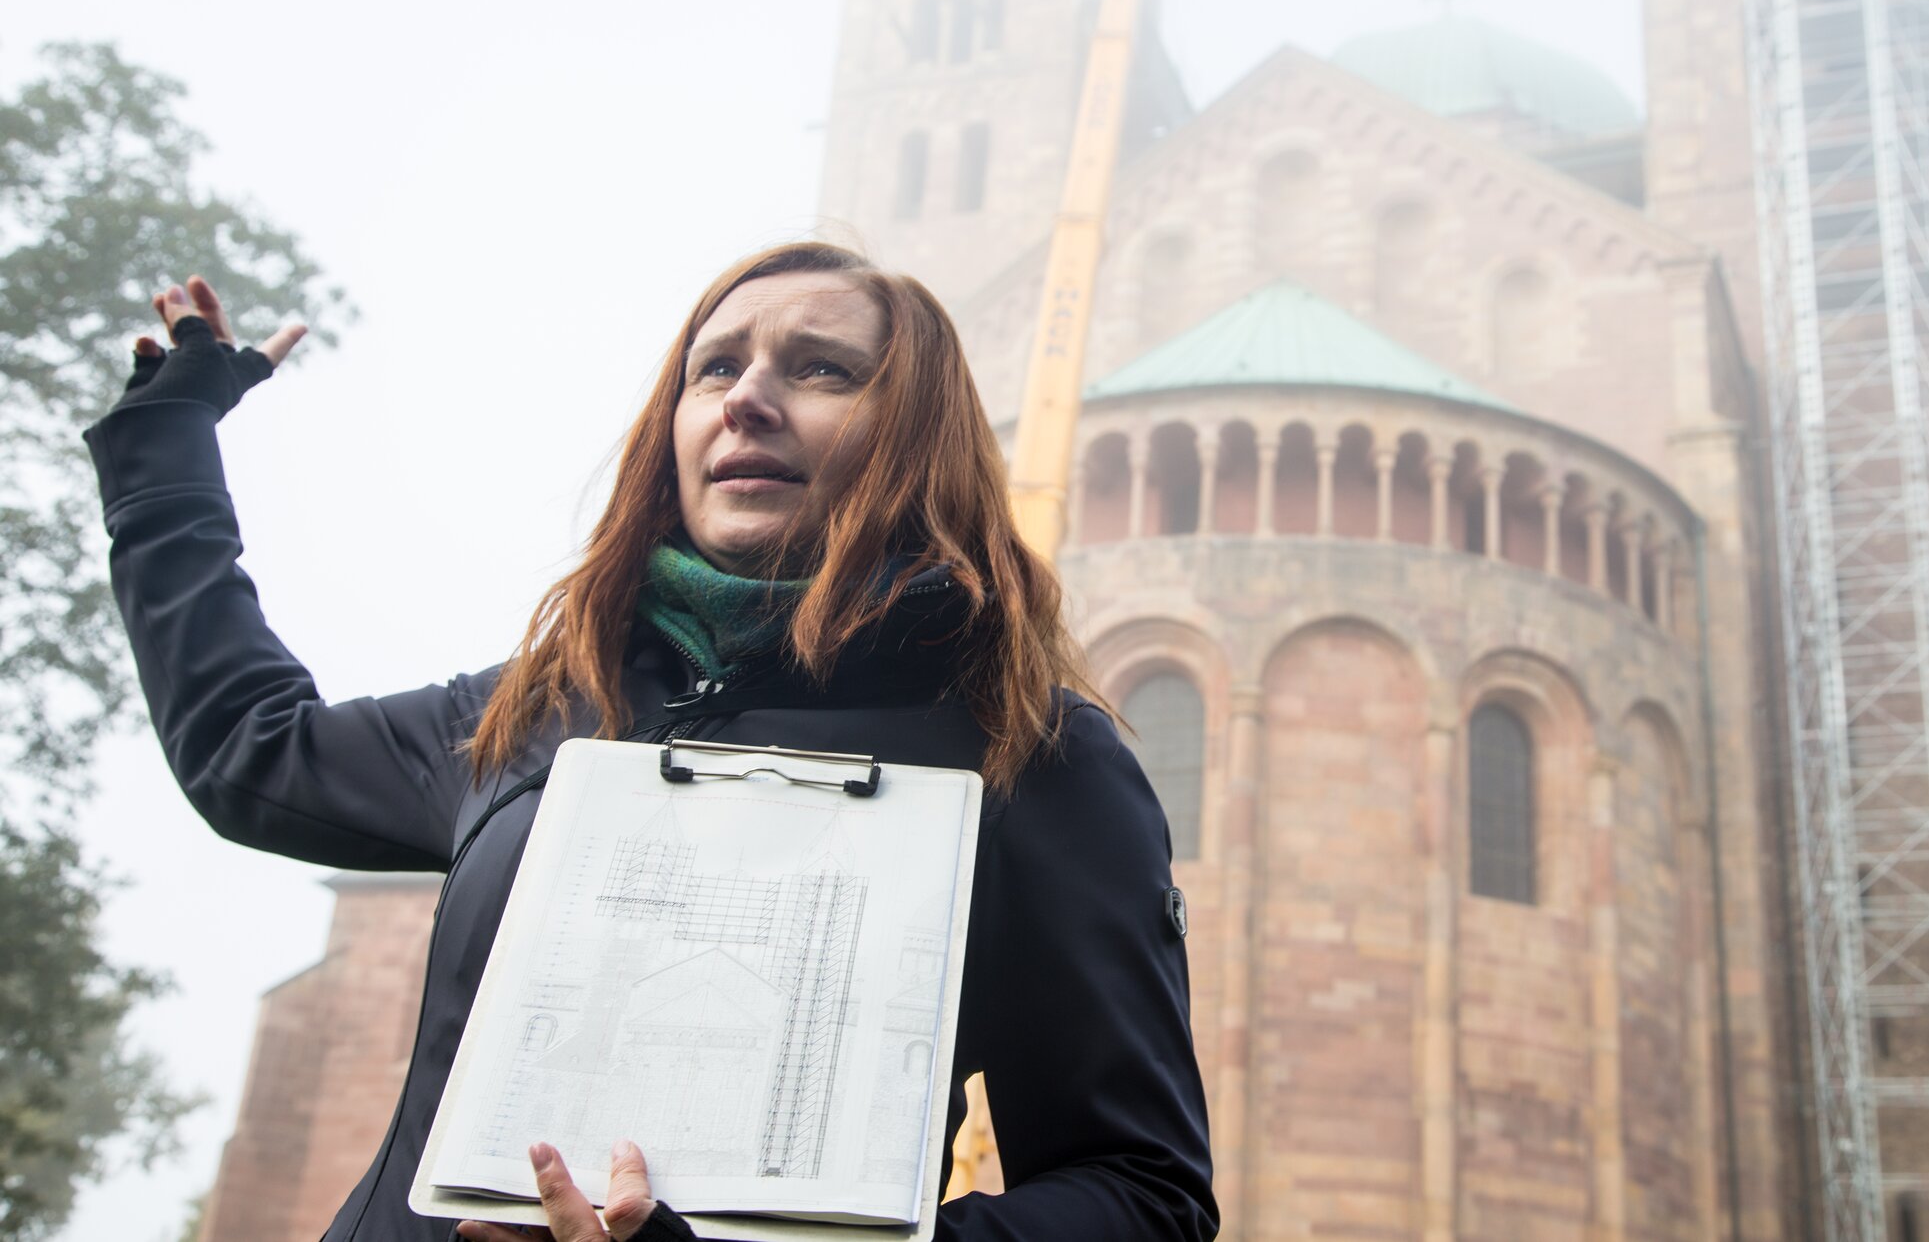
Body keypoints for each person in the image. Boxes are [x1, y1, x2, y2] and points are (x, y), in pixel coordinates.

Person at [87, 242, 1218, 1241]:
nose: (748, 399)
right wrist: (164, 444)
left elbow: (1141, 1192)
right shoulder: (550, 702)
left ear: (916, 437)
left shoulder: (1026, 751)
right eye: (714, 368)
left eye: (821, 369)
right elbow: (250, 750)